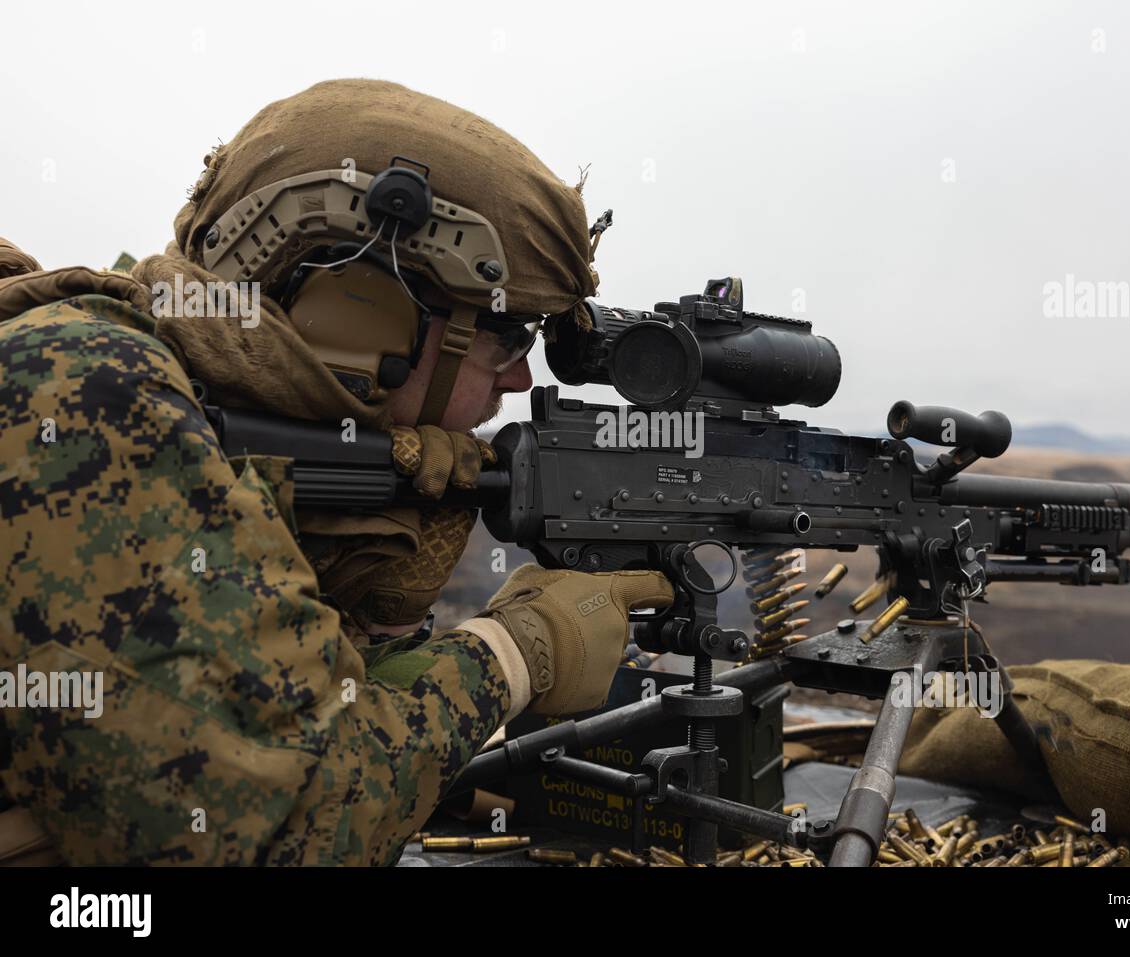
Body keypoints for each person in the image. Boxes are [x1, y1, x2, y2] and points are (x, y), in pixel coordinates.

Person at [0, 79, 672, 865]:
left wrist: (358, 614)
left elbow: (194, 705)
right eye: (508, 333)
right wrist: (519, 649)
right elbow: (275, 832)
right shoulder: (82, 386)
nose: (520, 379)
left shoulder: (153, 386)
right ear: (361, 309)